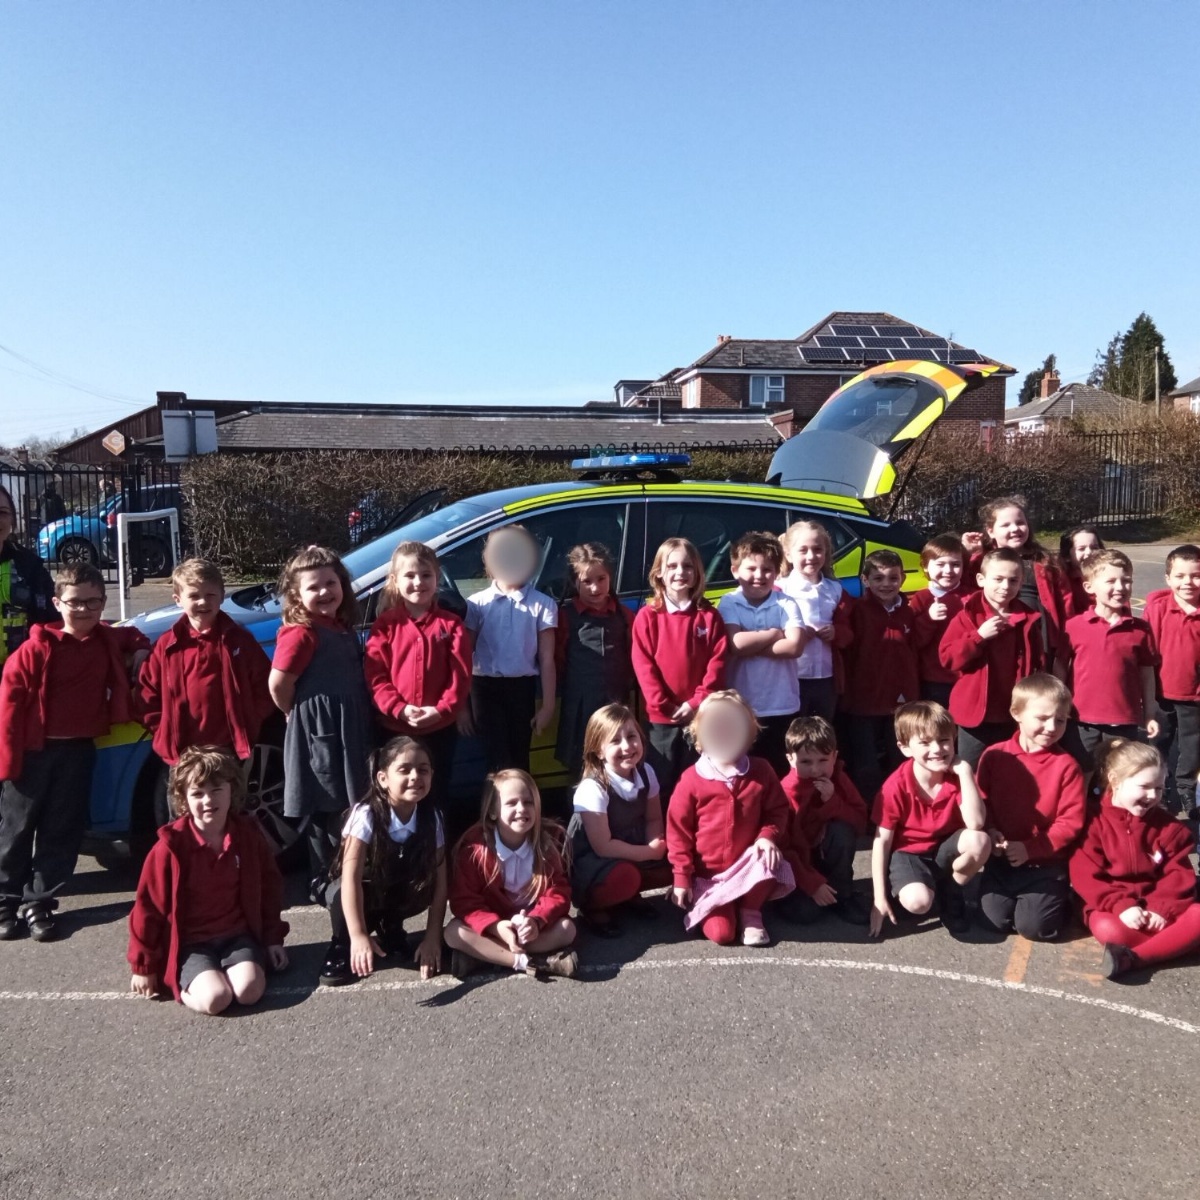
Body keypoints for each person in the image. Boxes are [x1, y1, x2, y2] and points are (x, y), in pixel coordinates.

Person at [0, 564, 149, 941]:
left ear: (103, 602)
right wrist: (8, 761)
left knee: (61, 829)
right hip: (32, 752)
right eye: (75, 602)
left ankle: (40, 902)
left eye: (93, 602)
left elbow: (132, 634)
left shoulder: (105, 639)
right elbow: (9, 710)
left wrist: (141, 650)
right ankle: (5, 900)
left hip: (78, 750)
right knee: (16, 828)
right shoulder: (34, 651)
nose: (84, 610)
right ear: (57, 603)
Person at [127, 746, 289, 1013]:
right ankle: (181, 984)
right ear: (183, 799)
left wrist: (273, 938)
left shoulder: (247, 836)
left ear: (231, 791)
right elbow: (147, 907)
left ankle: (225, 972)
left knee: (249, 991)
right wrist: (143, 965)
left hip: (237, 936)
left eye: (216, 790)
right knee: (216, 999)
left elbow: (270, 888)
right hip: (192, 944)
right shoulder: (169, 848)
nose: (208, 800)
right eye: (197, 793)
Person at [138, 558, 274, 826]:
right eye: (194, 596)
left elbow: (263, 685)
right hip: (182, 753)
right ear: (178, 599)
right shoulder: (167, 645)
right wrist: (162, 729)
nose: (203, 602)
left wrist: (250, 719)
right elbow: (147, 693)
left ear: (222, 596)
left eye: (210, 595)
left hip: (225, 749)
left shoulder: (238, 640)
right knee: (181, 819)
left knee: (227, 814)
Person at [269, 545, 373, 883]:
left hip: (349, 728)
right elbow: (279, 684)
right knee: (325, 804)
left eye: (330, 583)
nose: (324, 592)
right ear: (297, 596)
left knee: (347, 803)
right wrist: (294, 712)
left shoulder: (340, 627)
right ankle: (326, 880)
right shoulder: (302, 633)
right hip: (321, 732)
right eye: (313, 587)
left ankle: (349, 875)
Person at [666, 690, 794, 947]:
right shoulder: (691, 779)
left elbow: (778, 809)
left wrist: (767, 836)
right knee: (722, 934)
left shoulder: (761, 770)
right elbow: (678, 832)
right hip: (708, 876)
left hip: (747, 867)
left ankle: (750, 910)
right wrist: (681, 876)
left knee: (767, 855)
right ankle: (718, 904)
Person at [319, 736, 448, 987]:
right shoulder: (366, 815)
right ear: (383, 778)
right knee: (340, 892)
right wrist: (358, 935)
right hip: (361, 889)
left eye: (423, 770)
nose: (415, 776)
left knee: (425, 883)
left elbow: (441, 882)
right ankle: (342, 944)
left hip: (393, 888)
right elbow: (350, 880)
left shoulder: (432, 817)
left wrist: (433, 937)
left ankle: (391, 928)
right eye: (404, 770)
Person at [1069, 740, 1200, 980]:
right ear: (1115, 780)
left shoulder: (1169, 828)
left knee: (1198, 916)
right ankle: (1176, 943)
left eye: (1159, 788)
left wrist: (1160, 909)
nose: (1152, 795)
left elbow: (1178, 876)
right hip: (1113, 908)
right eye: (1144, 786)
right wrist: (1122, 906)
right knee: (1109, 931)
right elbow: (1086, 876)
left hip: (1158, 909)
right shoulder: (1093, 821)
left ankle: (1132, 959)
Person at [364, 540, 471, 831]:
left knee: (435, 794)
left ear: (437, 578)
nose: (418, 582)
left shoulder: (452, 626)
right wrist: (398, 708)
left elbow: (460, 677)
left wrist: (442, 710)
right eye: (409, 575)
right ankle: (394, 847)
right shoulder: (385, 626)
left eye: (426, 575)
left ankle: (434, 849)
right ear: (395, 580)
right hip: (393, 729)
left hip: (439, 731)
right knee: (394, 794)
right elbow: (376, 676)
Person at [976, 674, 1086, 941]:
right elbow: (981, 801)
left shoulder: (1067, 766)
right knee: (994, 921)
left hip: (1045, 864)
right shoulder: (994, 755)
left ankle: (1063, 899)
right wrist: (990, 829)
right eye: (1042, 718)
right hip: (1002, 861)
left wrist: (1031, 849)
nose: (1051, 727)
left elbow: (1070, 821)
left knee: (1034, 928)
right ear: (1016, 713)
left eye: (1060, 720)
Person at [869, 701, 991, 938]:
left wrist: (965, 772)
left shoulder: (958, 777)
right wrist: (878, 898)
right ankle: (911, 887)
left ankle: (951, 891)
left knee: (980, 841)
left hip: (943, 849)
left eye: (944, 740)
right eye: (925, 742)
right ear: (905, 748)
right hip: (909, 853)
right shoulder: (895, 786)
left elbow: (976, 823)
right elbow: (881, 841)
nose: (937, 749)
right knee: (919, 903)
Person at [444, 769, 577, 979]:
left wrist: (536, 921)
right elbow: (465, 901)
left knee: (567, 929)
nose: (521, 809)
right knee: (453, 933)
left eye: (528, 802)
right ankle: (526, 961)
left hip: (529, 927)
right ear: (493, 811)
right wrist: (496, 927)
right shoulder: (474, 850)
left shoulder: (547, 843)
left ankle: (485, 956)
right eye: (511, 803)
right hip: (494, 925)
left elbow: (558, 892)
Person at [631, 537, 728, 799]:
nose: (680, 572)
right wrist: (663, 704)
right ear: (659, 573)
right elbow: (643, 665)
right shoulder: (648, 616)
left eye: (687, 566)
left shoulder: (709, 616)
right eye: (672, 566)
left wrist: (697, 702)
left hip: (701, 716)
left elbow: (717, 664)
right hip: (661, 720)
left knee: (698, 782)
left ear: (697, 572)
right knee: (660, 783)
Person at [568, 703, 670, 937]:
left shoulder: (647, 772)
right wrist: (648, 852)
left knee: (679, 860)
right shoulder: (593, 788)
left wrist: (656, 844)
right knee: (624, 876)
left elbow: (653, 818)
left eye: (632, 736)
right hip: (596, 861)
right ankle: (593, 906)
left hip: (632, 847)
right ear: (598, 751)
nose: (627, 746)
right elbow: (603, 847)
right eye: (615, 741)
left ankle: (628, 894)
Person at [463, 526, 557, 775]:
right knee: (496, 761)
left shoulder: (543, 605)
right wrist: (462, 708)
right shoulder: (477, 604)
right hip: (483, 689)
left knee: (519, 758)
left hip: (521, 689)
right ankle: (495, 801)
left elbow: (547, 659)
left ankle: (523, 800)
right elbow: (463, 657)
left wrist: (548, 706)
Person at [940, 546, 1046, 766]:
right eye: (998, 579)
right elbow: (948, 658)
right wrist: (978, 637)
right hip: (975, 716)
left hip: (1012, 713)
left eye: (1013, 580)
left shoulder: (1027, 619)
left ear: (1021, 583)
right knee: (971, 770)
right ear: (981, 579)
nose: (1005, 586)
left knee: (1008, 770)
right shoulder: (968, 615)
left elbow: (1039, 663)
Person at [1060, 549, 1159, 775]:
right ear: (1089, 587)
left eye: (1126, 581)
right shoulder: (1074, 627)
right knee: (1080, 774)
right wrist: (1060, 705)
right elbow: (1060, 668)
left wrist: (1150, 713)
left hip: (1124, 720)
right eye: (1111, 581)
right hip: (1081, 719)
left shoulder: (1140, 630)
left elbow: (1147, 675)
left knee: (1117, 776)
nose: (1120, 587)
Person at [717, 531, 805, 775]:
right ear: (735, 570)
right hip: (741, 706)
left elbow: (795, 647)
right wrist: (774, 633)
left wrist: (751, 642)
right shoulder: (729, 602)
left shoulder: (786, 603)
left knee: (778, 771)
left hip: (782, 705)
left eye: (767, 569)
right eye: (751, 569)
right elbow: (736, 645)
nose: (759, 575)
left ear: (776, 573)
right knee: (743, 771)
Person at [777, 715, 870, 926]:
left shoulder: (838, 779)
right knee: (804, 914)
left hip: (825, 858)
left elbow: (859, 822)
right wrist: (811, 883)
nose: (815, 770)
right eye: (806, 762)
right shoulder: (784, 792)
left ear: (834, 757)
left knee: (841, 831)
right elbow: (782, 848)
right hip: (797, 866)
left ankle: (842, 894)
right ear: (790, 759)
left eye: (823, 760)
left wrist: (833, 801)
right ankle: (812, 893)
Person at [841, 548, 919, 800]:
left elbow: (914, 653)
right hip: (863, 701)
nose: (886, 584)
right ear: (865, 580)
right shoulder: (856, 611)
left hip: (900, 702)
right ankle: (869, 812)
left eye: (893, 578)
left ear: (902, 579)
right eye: (878, 578)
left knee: (900, 760)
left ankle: (900, 807)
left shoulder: (909, 611)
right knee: (866, 765)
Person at [554, 542, 634, 779]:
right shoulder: (564, 617)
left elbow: (633, 657)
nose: (595, 588)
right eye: (586, 581)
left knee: (617, 764)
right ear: (574, 582)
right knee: (581, 767)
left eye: (601, 579)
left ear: (610, 577)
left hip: (615, 704)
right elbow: (558, 659)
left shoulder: (624, 616)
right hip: (580, 707)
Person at [963, 495, 1072, 664]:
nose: (1015, 528)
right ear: (990, 531)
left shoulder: (1045, 562)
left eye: (1020, 522)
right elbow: (962, 591)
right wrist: (967, 554)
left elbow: (1066, 603)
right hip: (996, 640)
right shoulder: (980, 561)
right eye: (1005, 525)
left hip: (1039, 639)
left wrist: (1062, 651)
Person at [1143, 545, 1200, 818]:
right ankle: (1160, 789)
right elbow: (1147, 652)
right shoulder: (1158, 608)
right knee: (1158, 744)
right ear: (1168, 578)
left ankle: (1186, 789)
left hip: (1194, 696)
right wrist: (1146, 694)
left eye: (1196, 575)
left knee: (1191, 748)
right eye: (1180, 576)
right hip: (1161, 694)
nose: (1188, 582)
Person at [778, 519, 851, 722]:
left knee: (823, 728)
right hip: (791, 677)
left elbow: (849, 631)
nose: (811, 556)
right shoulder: (781, 589)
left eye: (818, 550)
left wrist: (836, 632)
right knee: (793, 729)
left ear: (826, 553)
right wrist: (795, 634)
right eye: (803, 550)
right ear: (789, 554)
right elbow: (770, 629)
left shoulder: (835, 590)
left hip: (826, 679)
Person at [909, 533, 969, 707]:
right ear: (926, 567)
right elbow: (913, 641)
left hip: (965, 676)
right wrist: (928, 619)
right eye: (940, 564)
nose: (948, 571)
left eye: (955, 565)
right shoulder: (921, 599)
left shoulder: (972, 597)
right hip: (932, 678)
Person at [0, 482, 55, 670]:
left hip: (21, 672)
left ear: (12, 519)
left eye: (3, 512)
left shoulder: (30, 565)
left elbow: (51, 619)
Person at [1059, 526, 1105, 617]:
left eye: (1095, 547)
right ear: (1067, 555)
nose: (1089, 552)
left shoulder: (1109, 576)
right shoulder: (1062, 582)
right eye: (1081, 549)